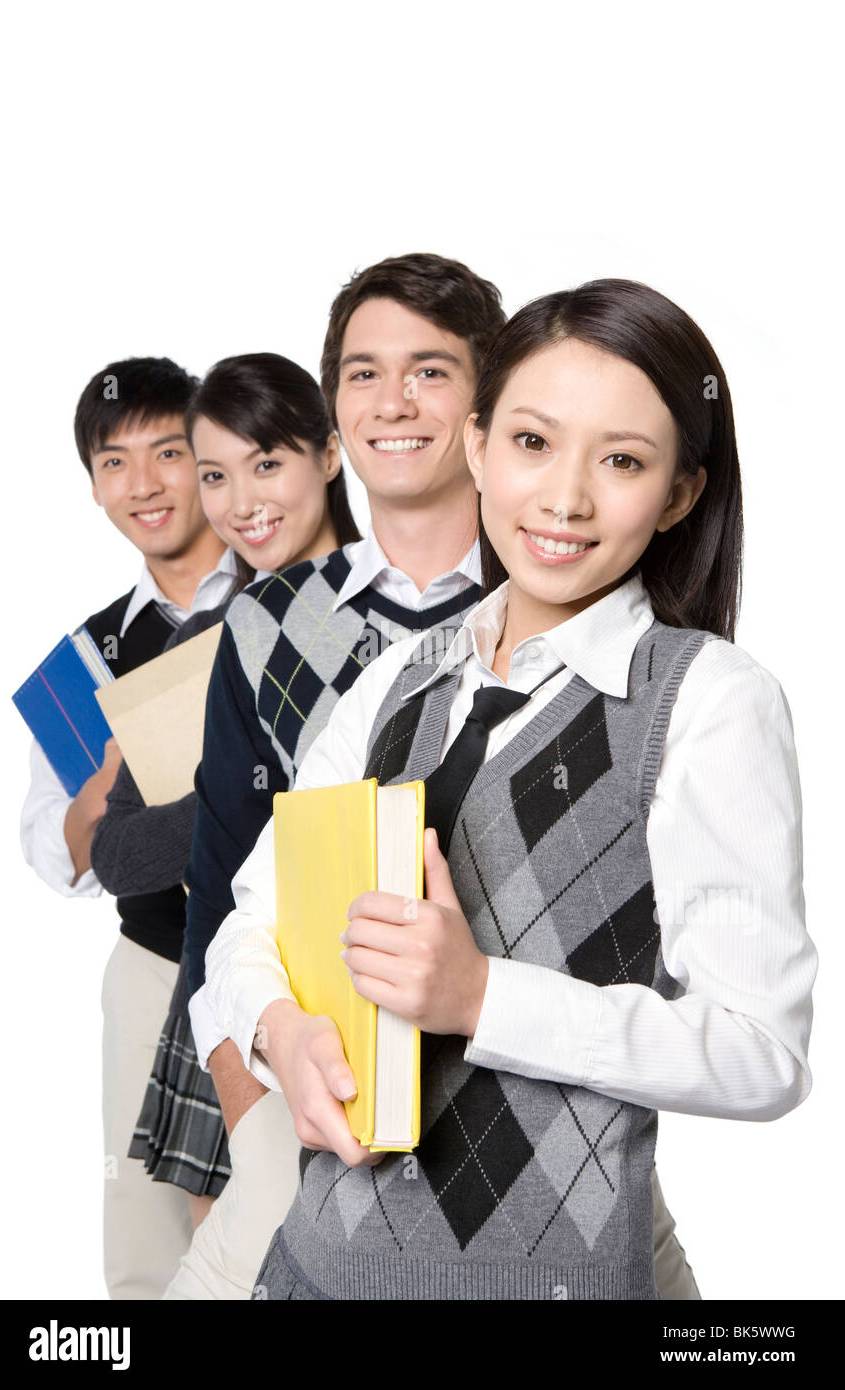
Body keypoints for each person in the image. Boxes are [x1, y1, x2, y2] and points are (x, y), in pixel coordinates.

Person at [203, 278, 817, 1301]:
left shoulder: (704, 703)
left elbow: (760, 1052)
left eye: (620, 460)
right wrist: (280, 1029)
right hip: (313, 1265)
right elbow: (249, 917)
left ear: (676, 494)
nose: (564, 498)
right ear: (478, 443)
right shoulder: (394, 681)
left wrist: (480, 997)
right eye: (532, 442)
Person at [91, 352, 359, 1242]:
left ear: (329, 456)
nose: (242, 501)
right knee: (231, 1261)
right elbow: (117, 852)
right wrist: (254, 803)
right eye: (215, 475)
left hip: (373, 982)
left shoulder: (412, 607)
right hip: (229, 992)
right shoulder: (215, 638)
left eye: (268, 463)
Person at [19, 356, 236, 1299]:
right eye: (115, 462)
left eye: (169, 452)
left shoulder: (291, 590)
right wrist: (117, 767)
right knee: (149, 1236)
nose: (143, 484)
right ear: (95, 487)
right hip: (153, 962)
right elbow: (63, 855)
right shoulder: (85, 658)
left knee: (292, 1207)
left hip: (298, 952)